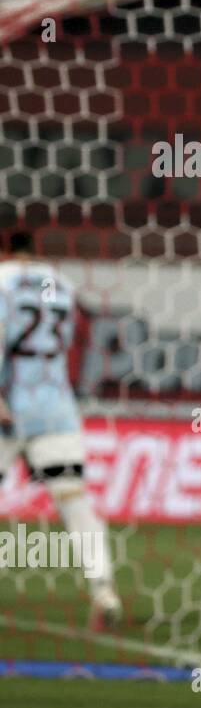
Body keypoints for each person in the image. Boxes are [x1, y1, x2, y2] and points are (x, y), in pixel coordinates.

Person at [0, 231, 121, 630]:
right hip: (54, 405)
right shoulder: (60, 284)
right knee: (73, 499)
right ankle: (103, 588)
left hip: (9, 404)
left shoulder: (2, 281)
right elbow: (70, 343)